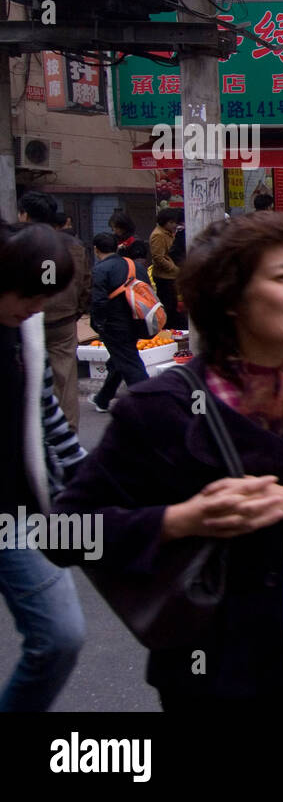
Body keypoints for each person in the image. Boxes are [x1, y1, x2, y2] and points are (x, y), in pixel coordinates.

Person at [53, 212, 283, 712]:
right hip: (218, 671)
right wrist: (180, 520)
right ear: (229, 299)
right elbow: (65, 533)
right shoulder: (160, 407)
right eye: (282, 277)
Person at [0, 222, 88, 711]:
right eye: (29, 297)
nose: (36, 310)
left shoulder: (24, 327)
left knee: (60, 636)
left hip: (15, 513)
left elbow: (44, 408)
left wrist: (84, 470)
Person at [18, 192, 90, 432]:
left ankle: (32, 431)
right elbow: (84, 283)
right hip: (64, 321)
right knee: (65, 378)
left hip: (24, 320)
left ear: (24, 214)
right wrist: (77, 311)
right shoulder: (74, 246)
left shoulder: (18, 242)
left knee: (25, 377)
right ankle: (67, 430)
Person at [89, 232, 148, 413]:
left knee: (130, 364)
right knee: (120, 359)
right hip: (137, 321)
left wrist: (97, 324)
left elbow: (98, 302)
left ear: (96, 249)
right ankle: (103, 399)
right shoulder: (134, 266)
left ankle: (150, 401)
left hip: (114, 325)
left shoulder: (100, 270)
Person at [150, 209, 184, 329]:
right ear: (165, 222)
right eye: (172, 222)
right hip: (164, 276)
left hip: (171, 275)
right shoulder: (158, 235)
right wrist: (174, 269)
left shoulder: (168, 233)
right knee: (168, 305)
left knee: (174, 305)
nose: (174, 225)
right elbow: (158, 257)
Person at [109, 211, 151, 281]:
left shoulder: (135, 242)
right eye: (113, 228)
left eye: (117, 228)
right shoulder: (113, 239)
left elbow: (139, 265)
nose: (114, 230)